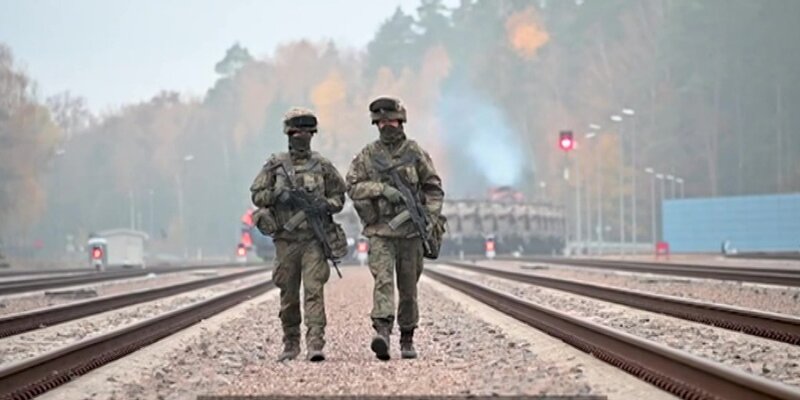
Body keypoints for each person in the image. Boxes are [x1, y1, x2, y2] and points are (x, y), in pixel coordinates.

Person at [345, 96, 445, 360]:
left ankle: (407, 337)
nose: (385, 125)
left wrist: (430, 218)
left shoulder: (415, 153)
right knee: (384, 281)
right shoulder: (368, 155)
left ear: (401, 121)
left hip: (411, 233)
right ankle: (383, 332)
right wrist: (382, 190)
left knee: (409, 289)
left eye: (390, 120)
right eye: (380, 122)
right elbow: (352, 186)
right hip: (380, 232)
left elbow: (433, 188)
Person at [249, 107, 348, 362]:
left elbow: (339, 196)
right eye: (296, 131)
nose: (301, 136)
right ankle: (290, 343)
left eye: (306, 131)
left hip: (313, 240)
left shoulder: (322, 165)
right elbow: (257, 195)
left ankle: (315, 343)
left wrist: (325, 205)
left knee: (314, 291)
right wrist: (278, 195)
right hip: (285, 241)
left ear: (312, 134)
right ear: (288, 134)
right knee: (289, 294)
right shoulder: (276, 165)